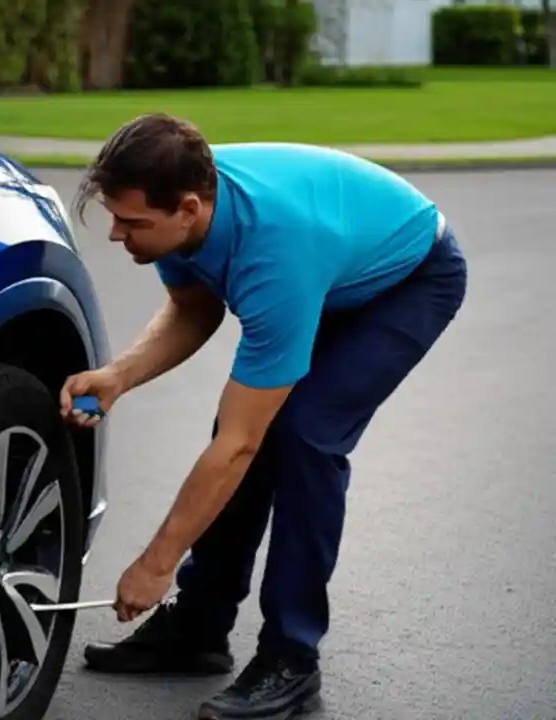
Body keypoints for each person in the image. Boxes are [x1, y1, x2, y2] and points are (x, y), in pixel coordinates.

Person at [58, 113, 467, 719]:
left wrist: (156, 564)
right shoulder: (179, 207)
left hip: (409, 280)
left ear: (190, 209)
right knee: (248, 428)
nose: (117, 235)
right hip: (333, 263)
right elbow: (194, 309)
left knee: (303, 436)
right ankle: (199, 629)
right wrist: (120, 375)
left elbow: (240, 446)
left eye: (132, 221)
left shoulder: (273, 253)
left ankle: (291, 658)